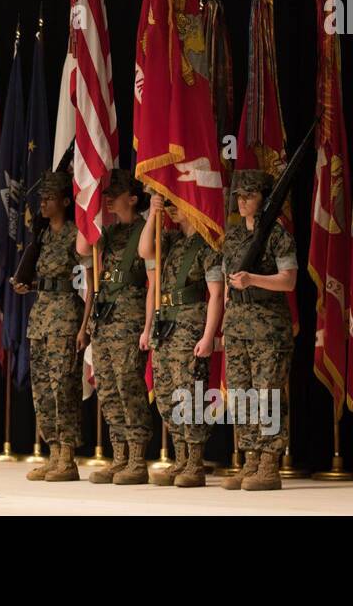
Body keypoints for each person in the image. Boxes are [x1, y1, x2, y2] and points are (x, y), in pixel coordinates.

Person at [218, 169, 298, 491]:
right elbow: (226, 282)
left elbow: (288, 281)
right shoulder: (234, 237)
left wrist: (253, 280)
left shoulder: (278, 235)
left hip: (268, 326)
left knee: (268, 394)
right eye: (239, 195)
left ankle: (268, 463)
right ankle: (250, 459)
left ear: (264, 199)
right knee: (240, 394)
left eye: (248, 195)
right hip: (237, 324)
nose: (242, 201)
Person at [139, 194, 223, 487]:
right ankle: (181, 457)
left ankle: (195, 462)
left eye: (177, 205)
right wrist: (152, 213)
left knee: (190, 392)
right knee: (166, 394)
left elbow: (216, 295)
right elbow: (144, 250)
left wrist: (209, 335)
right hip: (166, 325)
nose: (173, 210)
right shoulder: (170, 242)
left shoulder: (207, 246)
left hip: (190, 322)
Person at [76, 170, 151, 484]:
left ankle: (137, 459)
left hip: (128, 320)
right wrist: (88, 207)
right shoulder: (112, 232)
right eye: (106, 194)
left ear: (132, 199)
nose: (108, 198)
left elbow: (151, 277)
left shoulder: (144, 230)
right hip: (105, 321)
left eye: (114, 193)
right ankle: (119, 456)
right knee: (108, 390)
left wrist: (147, 326)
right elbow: (83, 249)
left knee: (128, 387)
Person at [13, 170, 84, 481]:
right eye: (41, 198)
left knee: (63, 388)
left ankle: (68, 456)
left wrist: (85, 325)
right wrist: (28, 285)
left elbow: (86, 282)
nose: (42, 204)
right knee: (42, 389)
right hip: (41, 317)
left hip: (65, 318)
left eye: (49, 198)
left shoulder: (75, 236)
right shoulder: (42, 236)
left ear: (65, 202)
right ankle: (53, 451)